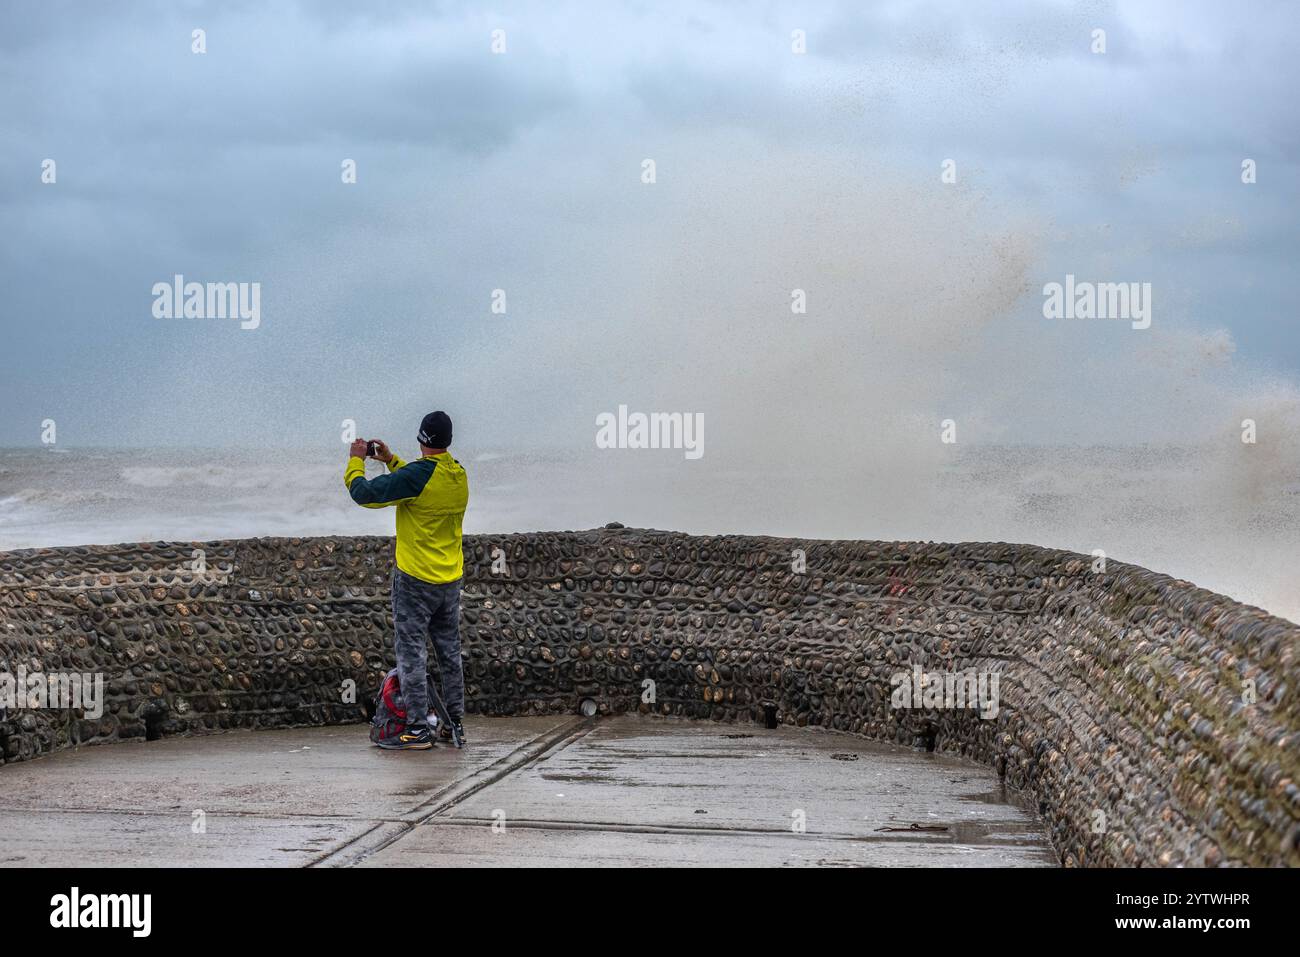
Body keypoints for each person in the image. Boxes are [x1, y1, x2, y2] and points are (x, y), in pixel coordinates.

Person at [344, 411, 469, 750]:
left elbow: (364, 494)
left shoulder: (419, 475)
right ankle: (453, 721)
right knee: (449, 653)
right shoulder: (458, 475)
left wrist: (356, 462)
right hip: (449, 580)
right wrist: (391, 460)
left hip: (415, 581)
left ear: (421, 438)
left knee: (412, 654)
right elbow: (419, 484)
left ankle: (416, 729)